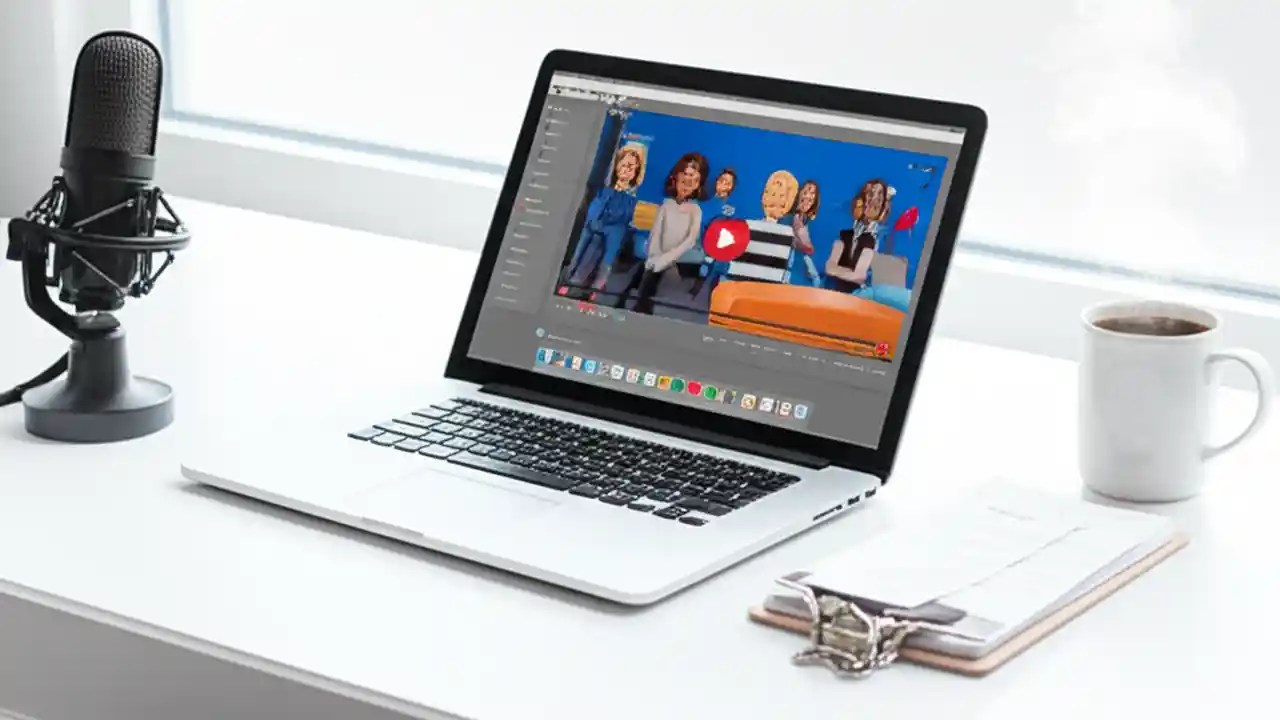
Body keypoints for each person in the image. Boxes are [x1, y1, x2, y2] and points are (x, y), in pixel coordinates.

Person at [631, 152, 709, 314]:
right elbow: (656, 232)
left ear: (699, 184)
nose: (687, 183)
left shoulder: (695, 210)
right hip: (657, 257)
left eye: (693, 179)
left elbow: (690, 239)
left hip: (678, 259)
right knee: (645, 276)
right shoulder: (667, 204)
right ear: (675, 178)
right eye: (684, 177)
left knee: (660, 281)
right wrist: (654, 256)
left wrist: (667, 258)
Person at [564, 145, 643, 291]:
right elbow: (595, 207)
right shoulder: (606, 190)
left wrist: (606, 222)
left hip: (612, 228)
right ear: (617, 166)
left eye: (632, 167)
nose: (627, 169)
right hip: (595, 224)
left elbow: (624, 215)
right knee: (588, 241)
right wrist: (595, 221)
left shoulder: (631, 197)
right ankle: (574, 277)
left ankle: (597, 282)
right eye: (624, 164)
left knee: (608, 247)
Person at [825, 179, 892, 293]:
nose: (871, 202)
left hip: (856, 295)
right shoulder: (845, 235)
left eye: (878, 199)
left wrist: (840, 271)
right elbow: (829, 268)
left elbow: (860, 276)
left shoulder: (872, 240)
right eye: (870, 194)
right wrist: (849, 273)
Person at [688, 168, 737, 298]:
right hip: (701, 246)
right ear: (716, 182)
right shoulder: (703, 206)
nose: (724, 184)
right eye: (722, 180)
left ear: (732, 187)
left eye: (728, 183)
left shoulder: (733, 210)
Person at [785, 179, 821, 285]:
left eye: (812, 194)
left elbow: (808, 248)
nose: (808, 197)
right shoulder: (791, 218)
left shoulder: (804, 220)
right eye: (805, 192)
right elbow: (804, 246)